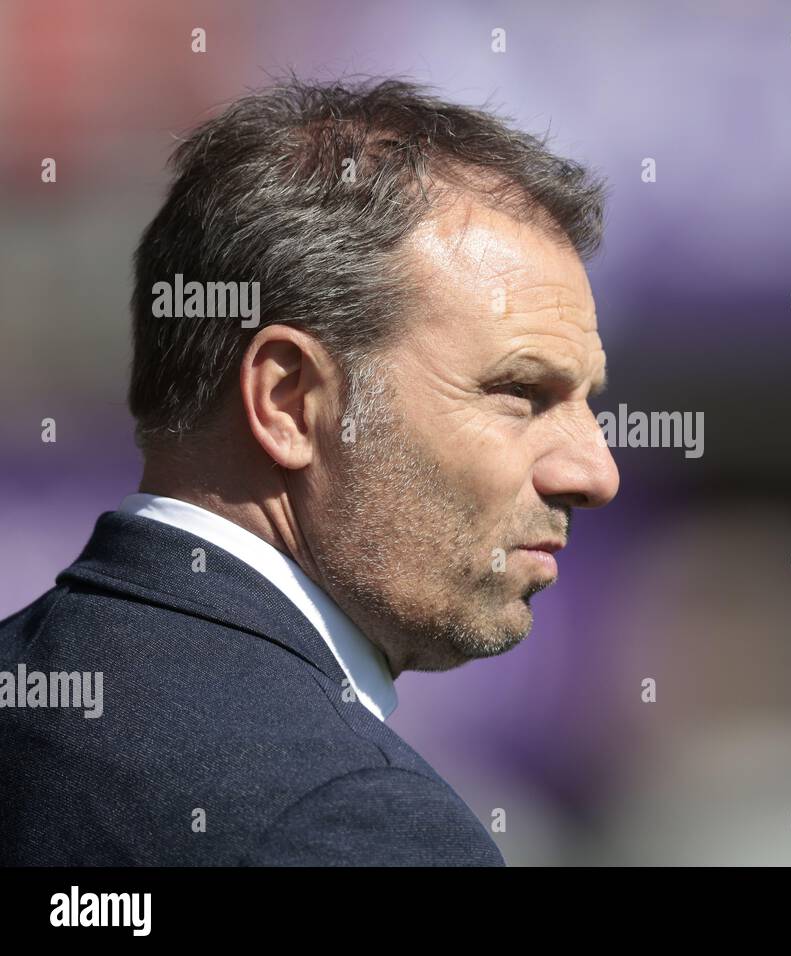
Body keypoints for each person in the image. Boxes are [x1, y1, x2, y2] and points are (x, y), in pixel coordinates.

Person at [0, 78, 619, 866]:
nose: (596, 472)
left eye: (587, 403)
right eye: (521, 392)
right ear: (290, 401)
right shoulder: (355, 824)